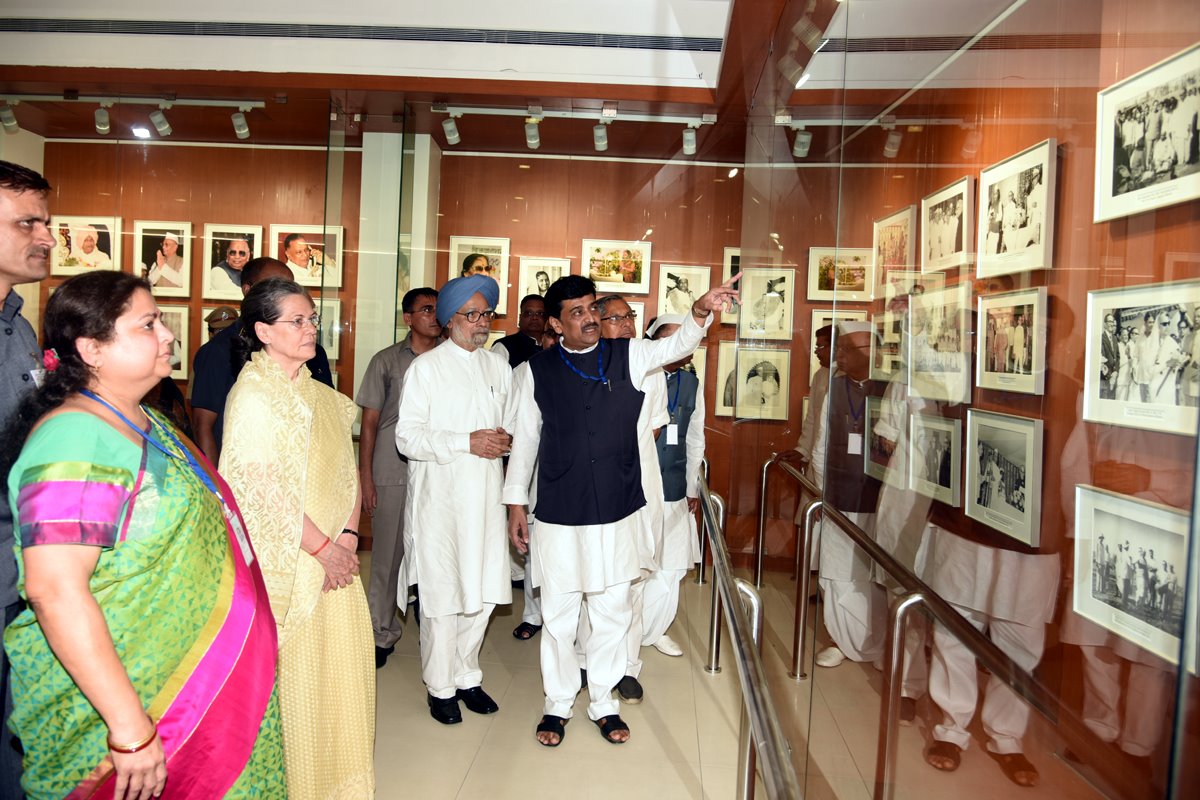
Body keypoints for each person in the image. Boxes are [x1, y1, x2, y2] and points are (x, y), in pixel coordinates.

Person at [1, 271, 285, 798]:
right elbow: (55, 589)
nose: (168, 334)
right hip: (135, 709)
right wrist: (130, 728)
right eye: (148, 324)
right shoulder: (75, 438)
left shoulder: (145, 420)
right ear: (92, 349)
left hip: (208, 685)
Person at [503, 272, 738, 747]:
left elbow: (676, 346)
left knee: (612, 611)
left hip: (618, 510)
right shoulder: (533, 372)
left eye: (593, 308)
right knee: (560, 615)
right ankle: (557, 704)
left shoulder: (629, 355)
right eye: (577, 312)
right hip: (559, 512)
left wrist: (699, 311)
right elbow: (524, 442)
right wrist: (515, 504)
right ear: (556, 323)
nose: (590, 318)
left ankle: (603, 701)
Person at [220, 277, 375, 797]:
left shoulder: (322, 397)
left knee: (340, 677)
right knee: (299, 684)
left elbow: (347, 473)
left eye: (312, 319)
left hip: (338, 558)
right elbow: (262, 492)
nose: (311, 329)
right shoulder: (253, 397)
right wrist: (324, 550)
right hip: (292, 566)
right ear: (263, 331)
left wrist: (348, 536)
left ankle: (340, 783)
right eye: (298, 321)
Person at [394, 274, 512, 725]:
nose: (482, 322)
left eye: (487, 314)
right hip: (440, 503)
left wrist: (504, 439)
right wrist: (466, 441)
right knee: (443, 595)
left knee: (482, 593)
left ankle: (467, 676)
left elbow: (508, 426)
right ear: (449, 319)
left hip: (487, 499)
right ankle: (440, 686)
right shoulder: (426, 369)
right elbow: (407, 438)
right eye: (472, 314)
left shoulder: (498, 367)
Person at [0, 159, 55, 797]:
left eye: (45, 222)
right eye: (26, 223)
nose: (45, 237)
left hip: (19, 564)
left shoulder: (18, 326)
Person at [356, 287, 440, 669]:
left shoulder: (449, 360)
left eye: (438, 310)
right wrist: (367, 478)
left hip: (438, 471)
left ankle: (434, 629)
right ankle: (380, 631)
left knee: (435, 553)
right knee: (388, 557)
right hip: (393, 470)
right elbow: (369, 424)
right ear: (408, 318)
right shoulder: (387, 361)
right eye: (426, 310)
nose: (434, 316)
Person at [595, 295, 669, 697]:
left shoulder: (650, 367)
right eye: (615, 318)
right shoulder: (583, 364)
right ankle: (591, 662)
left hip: (641, 482)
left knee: (635, 576)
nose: (625, 324)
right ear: (596, 323)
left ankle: (626, 666)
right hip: (595, 487)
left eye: (630, 317)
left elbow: (653, 429)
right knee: (596, 579)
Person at [190, 257, 334, 464]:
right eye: (275, 286)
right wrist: (214, 482)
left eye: (290, 286)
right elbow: (203, 425)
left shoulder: (313, 352)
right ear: (248, 290)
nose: (287, 293)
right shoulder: (220, 351)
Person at [641, 315, 705, 657]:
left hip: (675, 486)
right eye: (673, 339)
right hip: (638, 489)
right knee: (640, 564)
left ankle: (655, 629)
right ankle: (631, 631)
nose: (682, 345)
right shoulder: (639, 375)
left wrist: (693, 486)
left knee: (674, 563)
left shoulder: (691, 383)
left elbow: (696, 437)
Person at [492, 294, 546, 368]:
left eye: (540, 313)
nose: (534, 317)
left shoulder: (552, 347)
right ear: (520, 318)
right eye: (528, 313)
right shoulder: (503, 346)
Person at [1100, 312, 1120, 399]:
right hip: (1105, 380)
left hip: (1114, 378)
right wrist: (1110, 376)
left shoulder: (1115, 338)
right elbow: (1102, 358)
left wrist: (1116, 372)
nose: (1111, 324)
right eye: (1109, 322)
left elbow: (1117, 356)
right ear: (1105, 324)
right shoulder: (1101, 338)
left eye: (1112, 321)